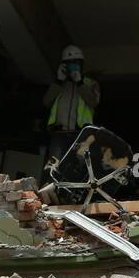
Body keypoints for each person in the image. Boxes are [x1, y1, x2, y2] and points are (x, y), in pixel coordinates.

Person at [43, 45, 101, 179]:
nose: (72, 66)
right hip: (59, 133)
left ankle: (78, 195)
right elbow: (46, 101)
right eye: (68, 64)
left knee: (81, 165)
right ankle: (50, 194)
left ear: (81, 64)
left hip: (81, 134)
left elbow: (93, 102)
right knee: (52, 166)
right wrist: (58, 80)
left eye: (75, 63)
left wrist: (79, 82)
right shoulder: (59, 84)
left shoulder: (91, 83)